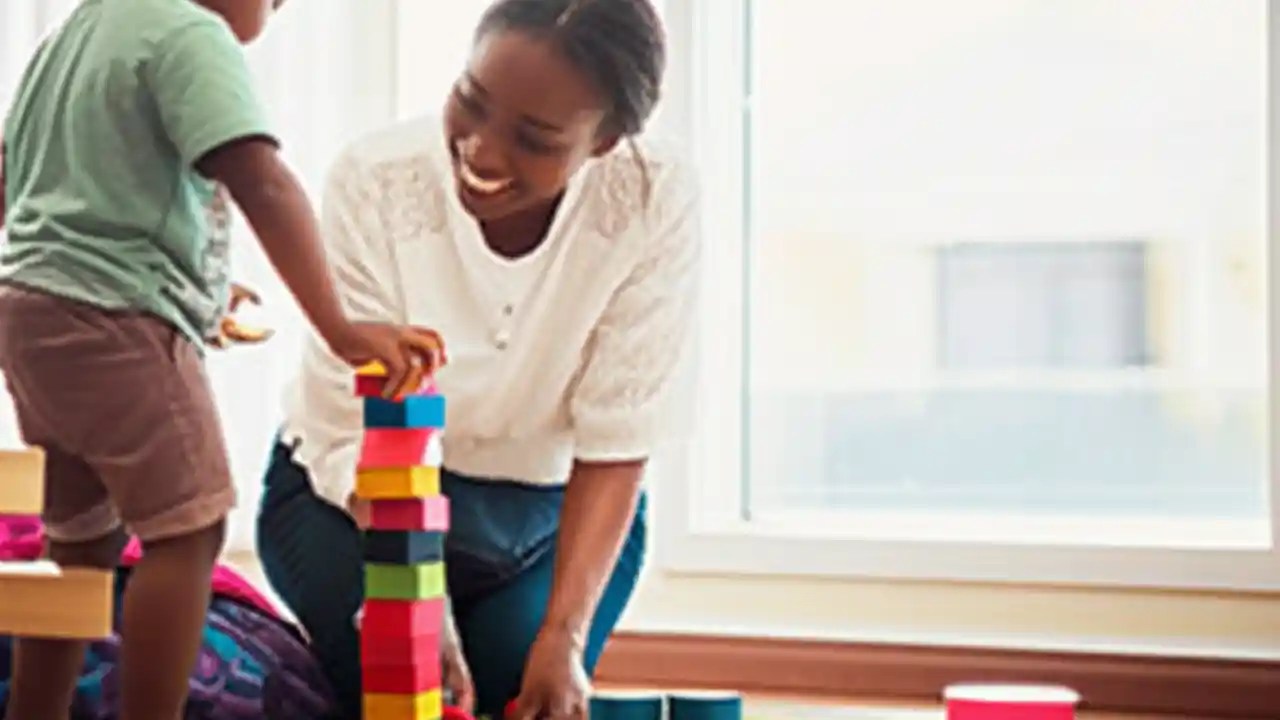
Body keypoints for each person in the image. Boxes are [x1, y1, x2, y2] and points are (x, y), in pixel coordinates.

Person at [255, 0, 700, 718]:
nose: (484, 151)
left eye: (535, 137)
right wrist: (422, 605)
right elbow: (354, 428)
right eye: (471, 100)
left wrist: (565, 635)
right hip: (350, 496)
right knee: (402, 690)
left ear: (607, 139)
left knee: (520, 690)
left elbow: (619, 434)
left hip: (545, 513)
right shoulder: (375, 179)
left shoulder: (653, 197)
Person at [0, 1, 441, 718]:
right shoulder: (188, 31)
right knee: (189, 531)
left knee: (79, 545)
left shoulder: (86, 26)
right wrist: (341, 326)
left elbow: (34, 186)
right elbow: (261, 181)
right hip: (118, 322)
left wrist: (197, 290)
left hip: (33, 316)